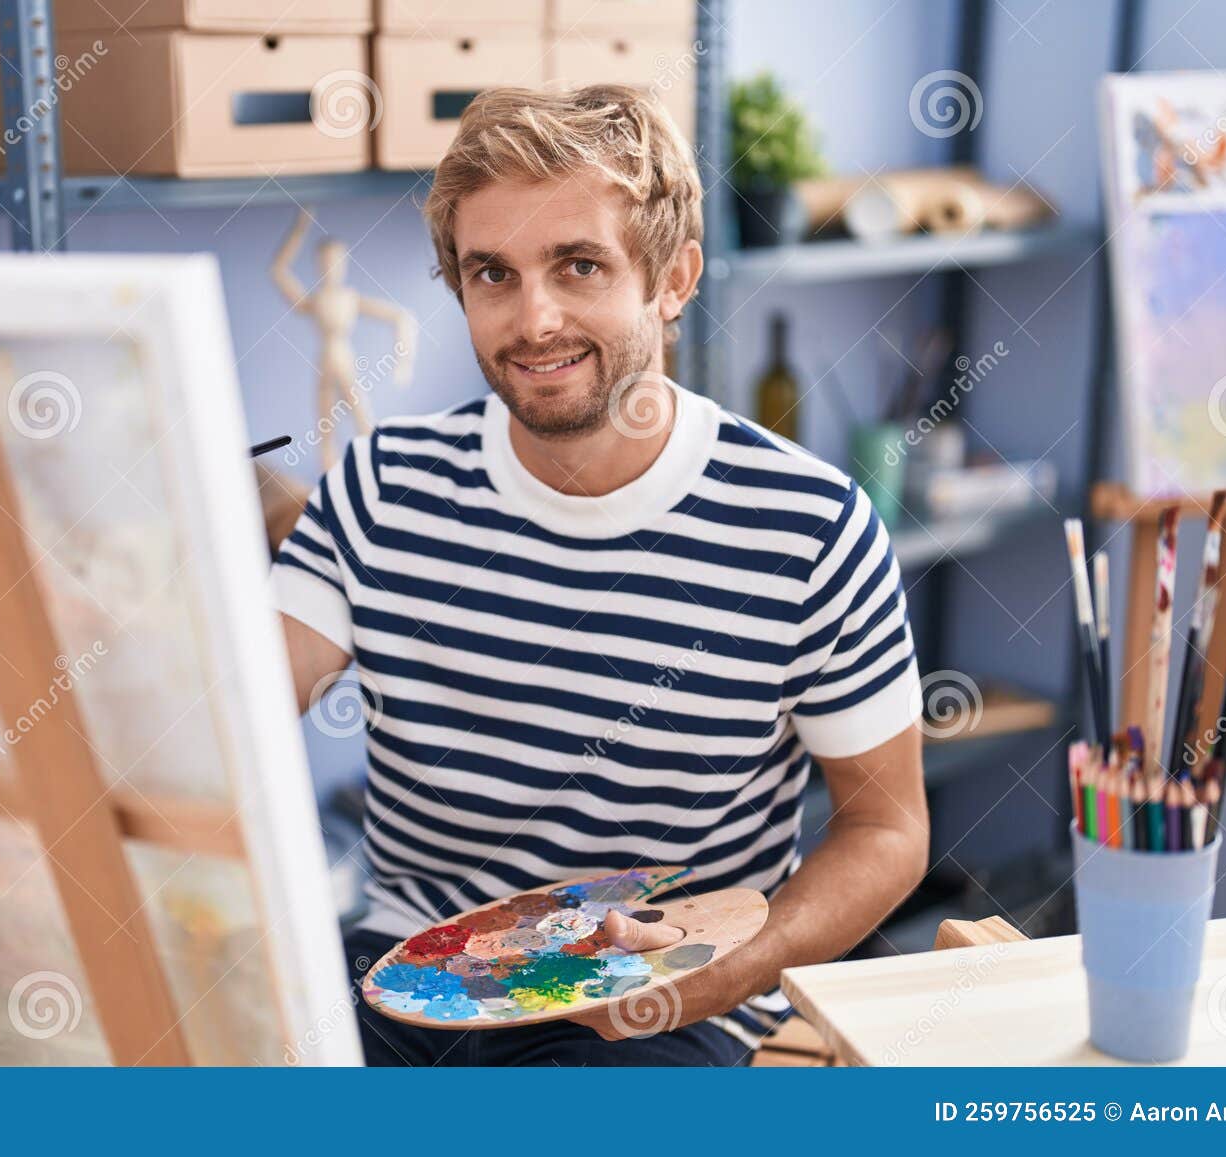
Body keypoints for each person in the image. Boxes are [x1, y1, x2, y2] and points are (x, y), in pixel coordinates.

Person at [274, 84, 928, 1066]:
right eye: (492, 274)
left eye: (578, 265)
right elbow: (224, 724)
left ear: (672, 279)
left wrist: (736, 969)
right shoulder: (381, 488)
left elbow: (885, 826)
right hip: (404, 973)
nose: (532, 319)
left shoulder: (810, 528)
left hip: (659, 995)